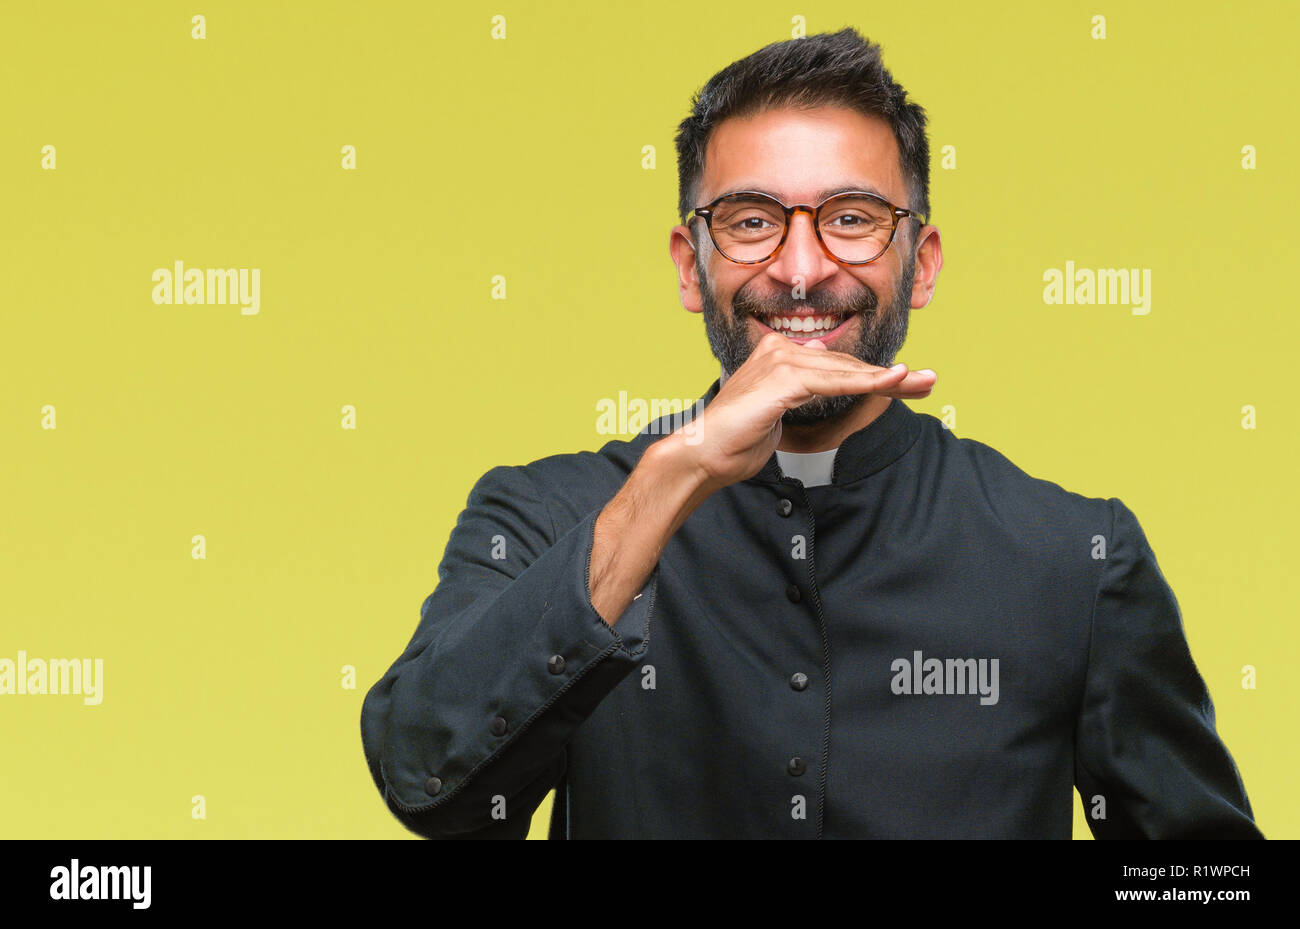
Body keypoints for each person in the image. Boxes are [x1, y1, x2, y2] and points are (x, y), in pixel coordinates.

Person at [360, 27, 1262, 839]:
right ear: (690, 265)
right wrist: (678, 472)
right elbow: (430, 783)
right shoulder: (544, 513)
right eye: (751, 222)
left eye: (853, 220)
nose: (800, 268)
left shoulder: (1077, 556)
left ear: (922, 264)